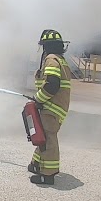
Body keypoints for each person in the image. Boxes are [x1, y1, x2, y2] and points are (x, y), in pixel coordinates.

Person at [27, 29, 71, 186]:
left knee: (49, 139)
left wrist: (38, 99)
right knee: (43, 137)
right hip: (54, 107)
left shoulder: (51, 60)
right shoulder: (60, 59)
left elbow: (52, 85)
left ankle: (48, 175)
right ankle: (37, 164)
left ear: (46, 46)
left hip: (52, 108)